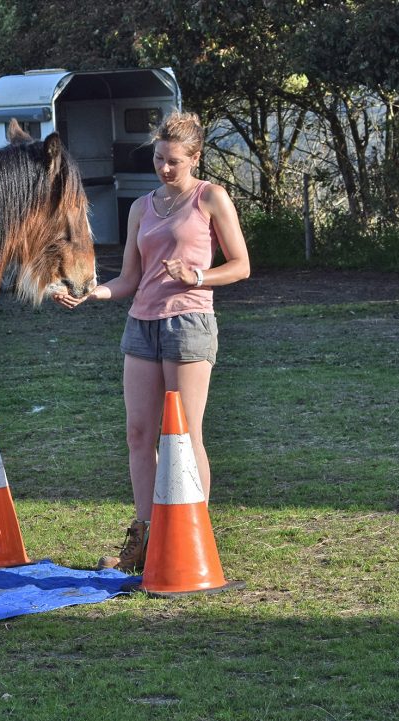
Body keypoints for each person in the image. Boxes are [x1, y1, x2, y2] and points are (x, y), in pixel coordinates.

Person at [53, 111, 250, 572]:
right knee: (140, 434)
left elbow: (241, 266)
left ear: (195, 158)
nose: (164, 168)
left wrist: (197, 275)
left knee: (184, 435)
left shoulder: (211, 198)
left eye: (174, 161)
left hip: (189, 325)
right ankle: (142, 538)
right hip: (141, 326)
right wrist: (89, 293)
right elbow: (128, 279)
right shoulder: (142, 207)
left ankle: (190, 535)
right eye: (159, 159)